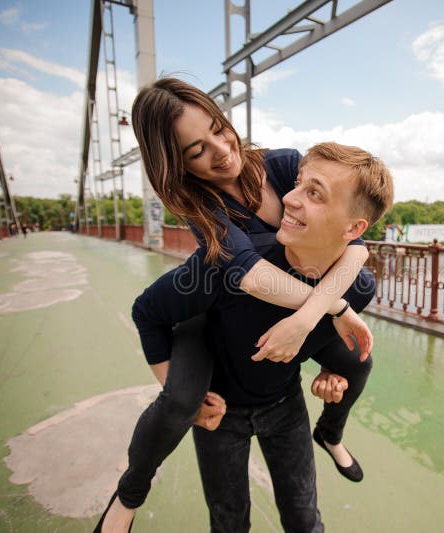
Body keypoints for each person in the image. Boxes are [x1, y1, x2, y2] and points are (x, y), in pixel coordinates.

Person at [96, 79, 377, 532]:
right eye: (196, 151)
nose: (223, 151)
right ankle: (127, 499)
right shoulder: (205, 222)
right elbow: (245, 273)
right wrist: (333, 310)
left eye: (219, 129)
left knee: (359, 356)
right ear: (178, 165)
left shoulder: (285, 167)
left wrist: (314, 327)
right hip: (221, 332)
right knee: (185, 406)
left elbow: (357, 249)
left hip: (280, 373)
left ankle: (331, 432)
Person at [139, 142, 393, 532]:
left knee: (305, 520)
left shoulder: (356, 286)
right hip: (220, 412)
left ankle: (331, 433)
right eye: (297, 185)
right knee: (229, 523)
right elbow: (149, 311)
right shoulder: (224, 267)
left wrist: (329, 371)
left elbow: (323, 340)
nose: (287, 200)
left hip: (285, 405)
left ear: (354, 230)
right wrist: (181, 396)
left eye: (314, 193)